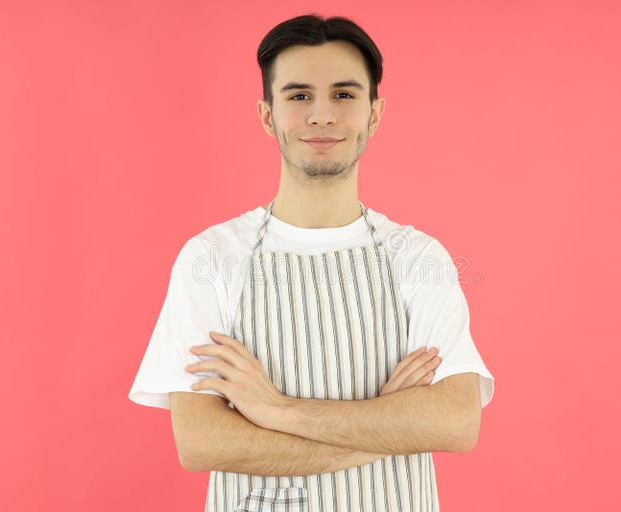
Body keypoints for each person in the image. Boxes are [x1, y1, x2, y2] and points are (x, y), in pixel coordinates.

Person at [128, 13, 495, 512]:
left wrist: (274, 410)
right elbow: (201, 442)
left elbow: (455, 422)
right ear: (267, 115)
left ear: (374, 113)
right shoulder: (211, 258)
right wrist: (390, 422)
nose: (321, 115)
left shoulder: (419, 258)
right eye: (299, 96)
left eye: (344, 94)